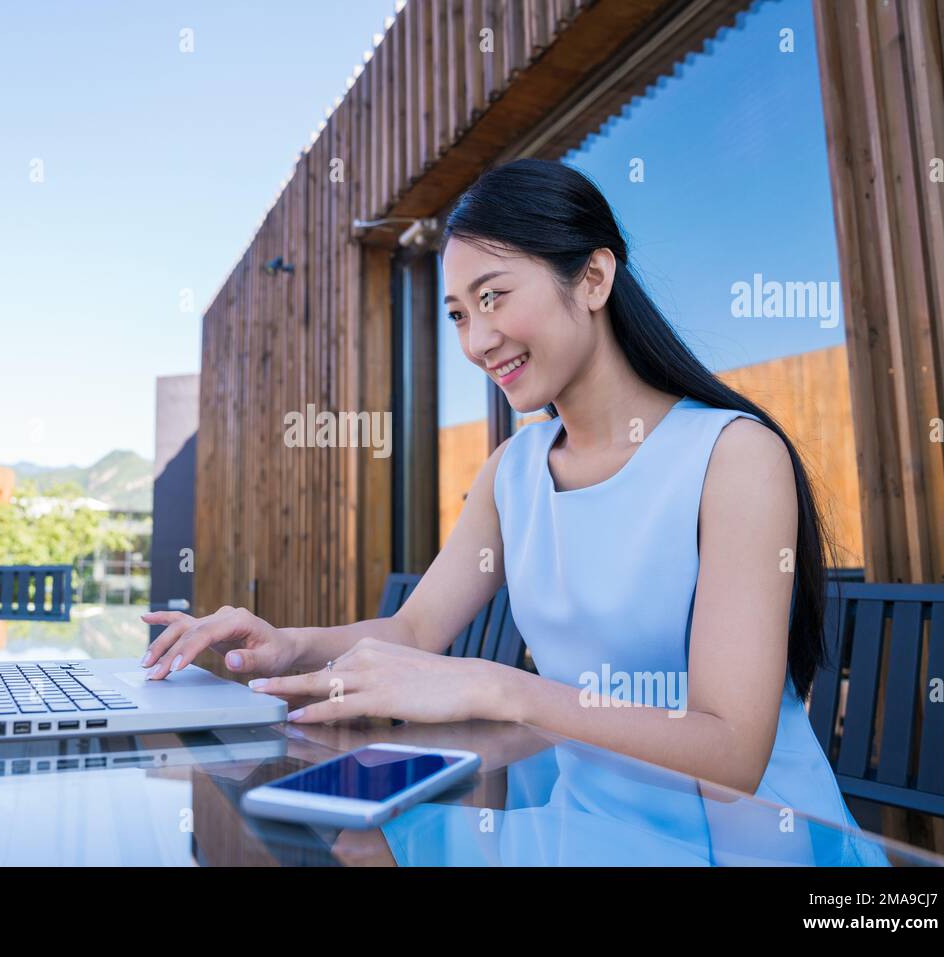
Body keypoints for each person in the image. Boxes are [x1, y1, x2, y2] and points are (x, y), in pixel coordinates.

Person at [140, 158, 883, 857]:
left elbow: (734, 752)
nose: (477, 340)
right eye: (459, 313)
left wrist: (499, 688)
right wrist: (285, 644)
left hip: (753, 846)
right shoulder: (514, 472)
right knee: (348, 844)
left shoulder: (733, 456)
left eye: (494, 297)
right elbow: (415, 627)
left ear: (592, 278)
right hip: (585, 837)